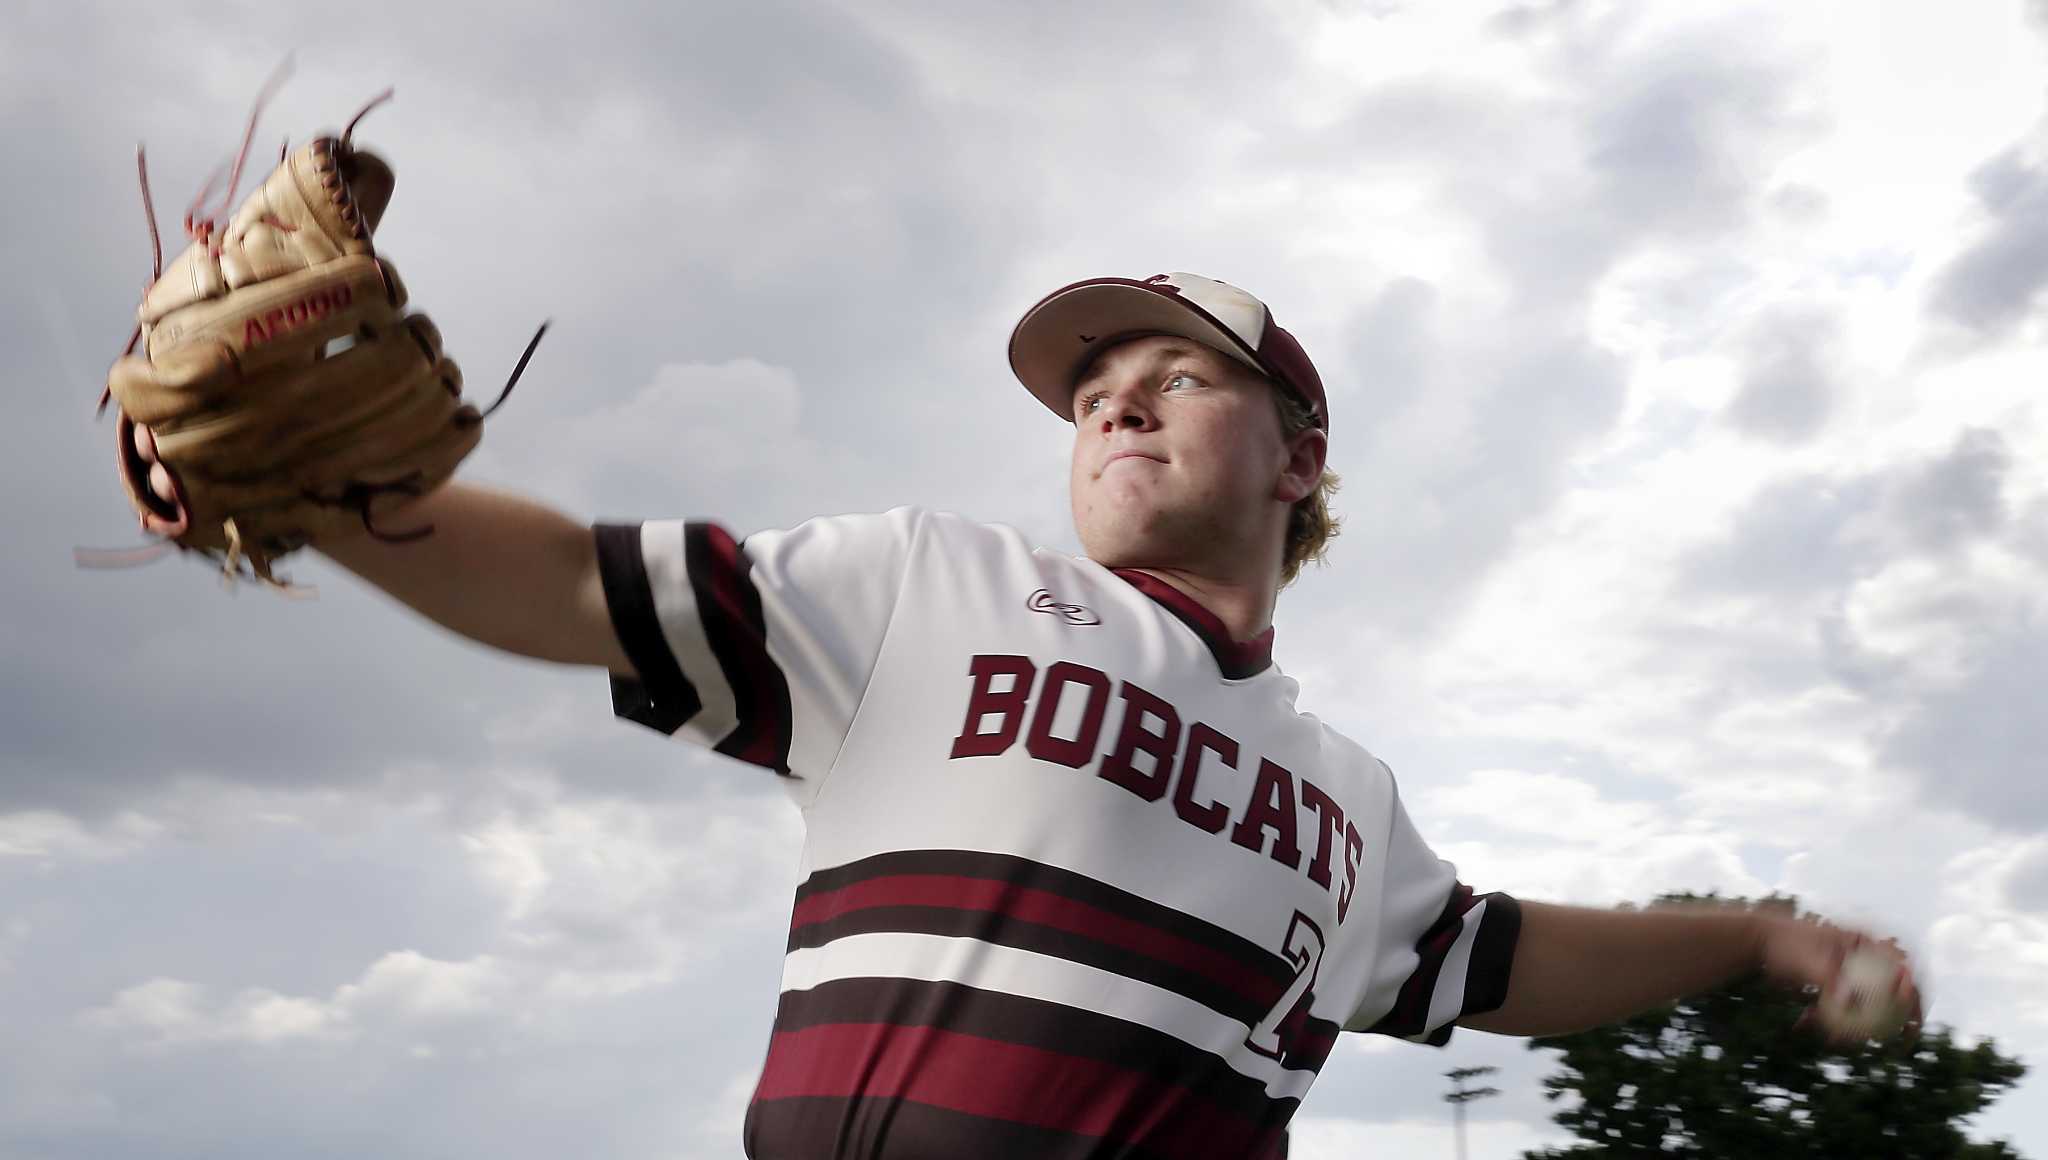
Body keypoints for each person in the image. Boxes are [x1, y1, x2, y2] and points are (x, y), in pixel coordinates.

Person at [133, 270, 1923, 1158]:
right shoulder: (933, 586)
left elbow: (1503, 963)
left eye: (1175, 378)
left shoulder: (1350, 799)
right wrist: (321, 499)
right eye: (1089, 397)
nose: (1114, 407)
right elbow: (567, 590)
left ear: (1299, 460)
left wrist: (1754, 938)